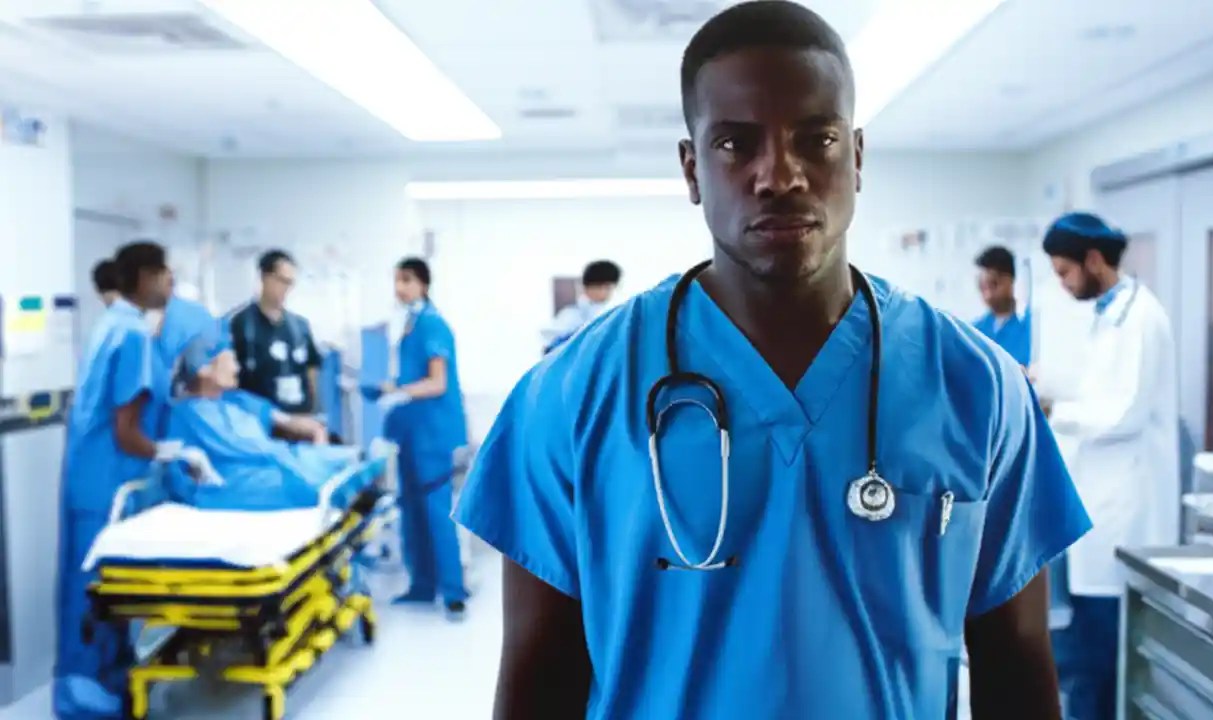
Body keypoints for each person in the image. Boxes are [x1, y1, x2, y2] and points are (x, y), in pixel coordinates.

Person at [454, 3, 1090, 718]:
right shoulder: (570, 396)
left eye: (815, 139)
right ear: (691, 168)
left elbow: (1018, 664)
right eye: (735, 144)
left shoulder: (978, 388)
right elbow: (540, 683)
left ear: (855, 157)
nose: (778, 174)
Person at [1038, 211, 1178, 720]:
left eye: (1064, 271)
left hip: (1124, 512)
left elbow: (1123, 412)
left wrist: (1054, 410)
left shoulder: (1141, 318)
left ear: (1093, 260)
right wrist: (1050, 390)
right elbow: (1101, 394)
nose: (1063, 282)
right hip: (1098, 505)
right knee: (1084, 648)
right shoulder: (1111, 313)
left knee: (1098, 654)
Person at [54, 241, 200, 719]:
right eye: (163, 273)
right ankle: (93, 697)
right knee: (101, 595)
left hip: (88, 481)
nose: (169, 283)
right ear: (143, 277)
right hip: (109, 486)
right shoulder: (134, 336)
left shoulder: (108, 325)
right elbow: (127, 430)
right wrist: (170, 453)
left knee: (87, 590)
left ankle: (87, 691)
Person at [371, 258, 469, 619]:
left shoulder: (432, 324)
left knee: (435, 511)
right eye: (397, 280)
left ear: (424, 284)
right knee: (411, 510)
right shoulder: (410, 325)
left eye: (407, 280)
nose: (400, 288)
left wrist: (399, 392)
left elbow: (437, 382)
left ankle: (454, 592)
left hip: (433, 435)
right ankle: (422, 585)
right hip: (413, 434)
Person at [165, 331, 354, 511]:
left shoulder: (233, 403)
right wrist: (301, 457)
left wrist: (311, 446)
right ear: (204, 369)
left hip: (260, 467)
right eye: (230, 361)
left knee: (342, 462)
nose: (236, 368)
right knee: (309, 481)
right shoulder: (190, 412)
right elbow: (244, 447)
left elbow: (278, 427)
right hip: (230, 483)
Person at [227, 249, 323, 416]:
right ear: (264, 277)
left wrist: (312, 409)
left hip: (299, 418)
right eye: (281, 281)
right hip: (257, 420)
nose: (286, 288)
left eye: (290, 283)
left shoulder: (300, 327)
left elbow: (311, 369)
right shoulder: (241, 324)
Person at [542, 259, 622, 353]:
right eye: (607, 287)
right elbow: (552, 347)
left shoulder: (610, 312)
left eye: (611, 288)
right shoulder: (570, 315)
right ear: (590, 286)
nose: (608, 292)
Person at [972, 245, 1031, 366]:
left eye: (994, 285)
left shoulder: (1031, 327)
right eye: (982, 287)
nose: (988, 295)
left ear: (1010, 280)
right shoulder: (975, 331)